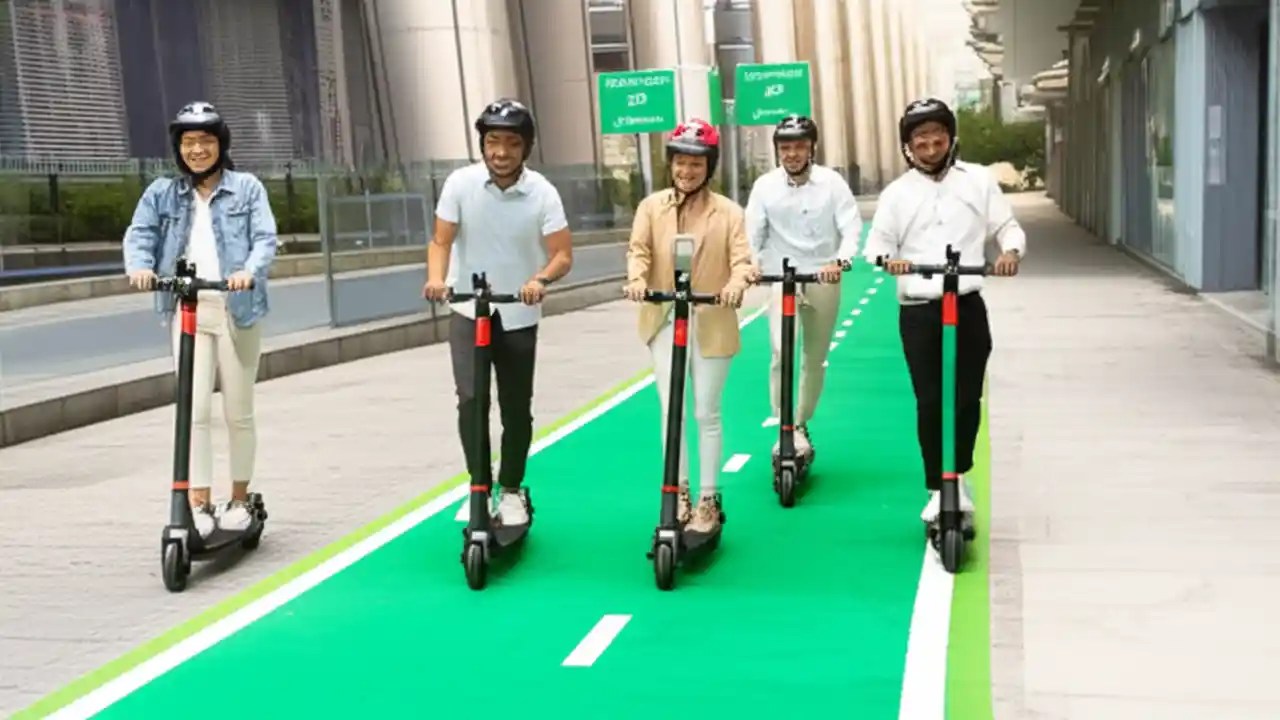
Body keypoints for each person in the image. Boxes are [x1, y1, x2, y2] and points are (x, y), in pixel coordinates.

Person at [862, 97, 1024, 525]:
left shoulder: (978, 181)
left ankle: (959, 478)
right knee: (931, 400)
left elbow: (1007, 227)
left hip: (967, 303)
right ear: (908, 146)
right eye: (920, 138)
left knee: (967, 397)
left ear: (950, 137)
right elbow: (875, 247)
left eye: (937, 135)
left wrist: (1009, 251)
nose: (930, 144)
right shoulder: (897, 194)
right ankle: (937, 486)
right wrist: (889, 261)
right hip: (920, 308)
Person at [123, 101, 279, 538]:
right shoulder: (163, 193)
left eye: (205, 141)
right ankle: (199, 502)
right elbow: (141, 233)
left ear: (219, 144)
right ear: (179, 148)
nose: (196, 150)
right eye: (188, 142)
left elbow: (265, 238)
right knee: (192, 412)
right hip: (188, 308)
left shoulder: (246, 188)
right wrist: (140, 266)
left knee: (237, 412)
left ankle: (240, 498)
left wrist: (249, 270)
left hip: (237, 307)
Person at [422, 98, 573, 527]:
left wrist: (540, 279)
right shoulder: (460, 184)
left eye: (510, 143)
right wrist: (437, 279)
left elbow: (562, 254)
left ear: (525, 147)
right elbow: (441, 241)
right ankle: (478, 488)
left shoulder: (542, 191)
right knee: (471, 401)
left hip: (518, 313)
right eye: (492, 142)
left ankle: (511, 490)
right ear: (482, 145)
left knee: (514, 406)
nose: (500, 152)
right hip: (469, 309)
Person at [624, 118, 754, 534]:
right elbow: (639, 250)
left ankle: (709, 498)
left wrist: (735, 285)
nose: (687, 171)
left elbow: (743, 261)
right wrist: (637, 280)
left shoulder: (729, 213)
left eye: (696, 164)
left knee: (705, 411)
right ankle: (676, 492)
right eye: (681, 162)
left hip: (711, 319)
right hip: (663, 318)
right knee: (672, 409)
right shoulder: (651, 207)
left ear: (709, 166)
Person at [744, 114, 863, 457]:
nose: (792, 153)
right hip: (782, 278)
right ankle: (786, 425)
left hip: (822, 275)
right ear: (778, 150)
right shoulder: (764, 186)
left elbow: (851, 226)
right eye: (785, 147)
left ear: (812, 147)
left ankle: (801, 420)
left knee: (815, 357)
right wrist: (751, 263)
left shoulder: (832, 183)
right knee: (782, 351)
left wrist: (839, 262)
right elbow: (752, 232)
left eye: (799, 146)